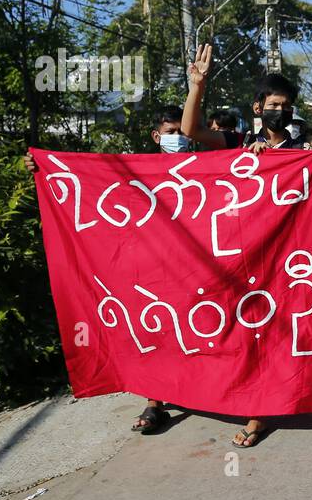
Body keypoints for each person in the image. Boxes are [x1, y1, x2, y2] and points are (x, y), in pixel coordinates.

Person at [24, 106, 192, 435]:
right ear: (157, 136)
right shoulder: (137, 171)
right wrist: (39, 168)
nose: (178, 139)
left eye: (182, 133)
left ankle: (210, 390)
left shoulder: (210, 168)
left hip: (194, 269)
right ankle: (155, 402)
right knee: (152, 330)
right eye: (171, 133)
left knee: (198, 327)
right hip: (152, 268)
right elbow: (92, 185)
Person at [181, 44, 308, 446]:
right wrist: (197, 87)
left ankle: (298, 396)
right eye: (274, 104)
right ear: (258, 108)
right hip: (246, 258)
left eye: (286, 106)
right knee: (252, 334)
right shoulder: (236, 143)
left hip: (294, 258)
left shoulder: (305, 149)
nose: (281, 112)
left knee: (293, 332)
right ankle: (258, 412)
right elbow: (190, 132)